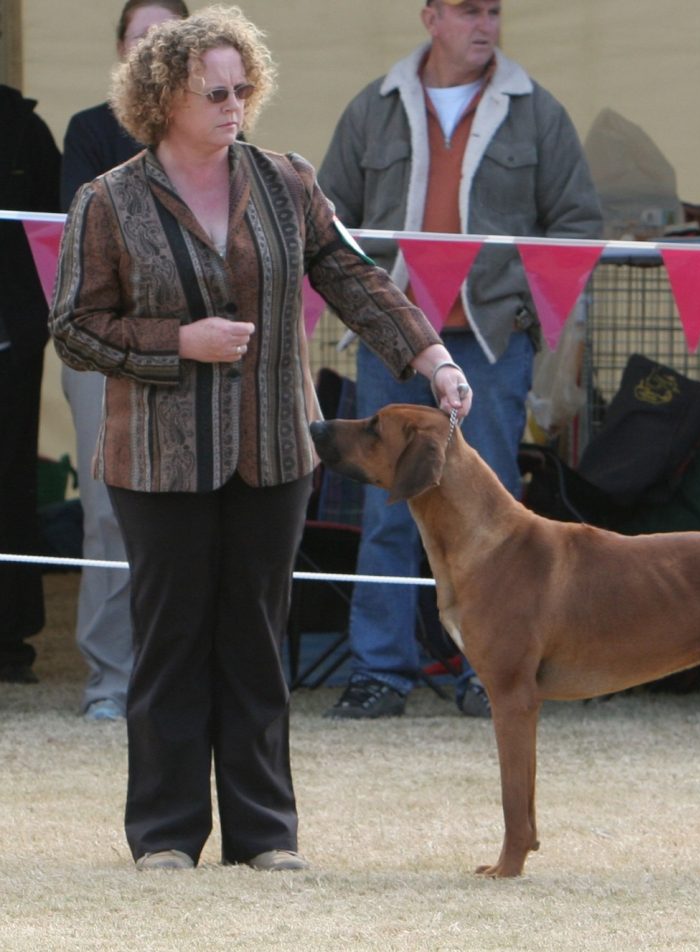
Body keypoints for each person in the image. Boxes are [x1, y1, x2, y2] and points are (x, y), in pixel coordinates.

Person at [49, 5, 470, 872]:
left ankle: (266, 834)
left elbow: (354, 277)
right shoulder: (108, 199)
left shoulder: (288, 180)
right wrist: (178, 341)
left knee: (255, 641)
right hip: (156, 458)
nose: (234, 104)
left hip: (275, 449)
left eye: (243, 88)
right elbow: (76, 329)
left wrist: (429, 356)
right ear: (163, 97)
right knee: (170, 643)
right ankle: (165, 835)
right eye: (215, 92)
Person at [317, 0, 602, 720]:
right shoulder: (373, 107)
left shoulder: (537, 110)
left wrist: (525, 311)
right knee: (387, 509)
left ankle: (492, 668)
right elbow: (326, 218)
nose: (486, 24)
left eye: (494, 11)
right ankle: (379, 671)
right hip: (391, 340)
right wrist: (367, 305)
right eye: (469, 10)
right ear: (431, 17)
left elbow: (577, 223)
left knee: (494, 513)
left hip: (491, 340)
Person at [60, 0, 189, 723]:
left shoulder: (219, 127)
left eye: (171, 37)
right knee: (109, 513)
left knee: (195, 509)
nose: (155, 48)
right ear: (120, 50)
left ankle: (182, 677)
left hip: (198, 346)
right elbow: (88, 239)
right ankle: (111, 681)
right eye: (143, 36)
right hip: (103, 348)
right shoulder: (88, 132)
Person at [0, 85, 62, 684]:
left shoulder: (23, 129)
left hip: (9, 346)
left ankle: (9, 642)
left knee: (10, 488)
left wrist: (30, 326)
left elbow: (59, 236)